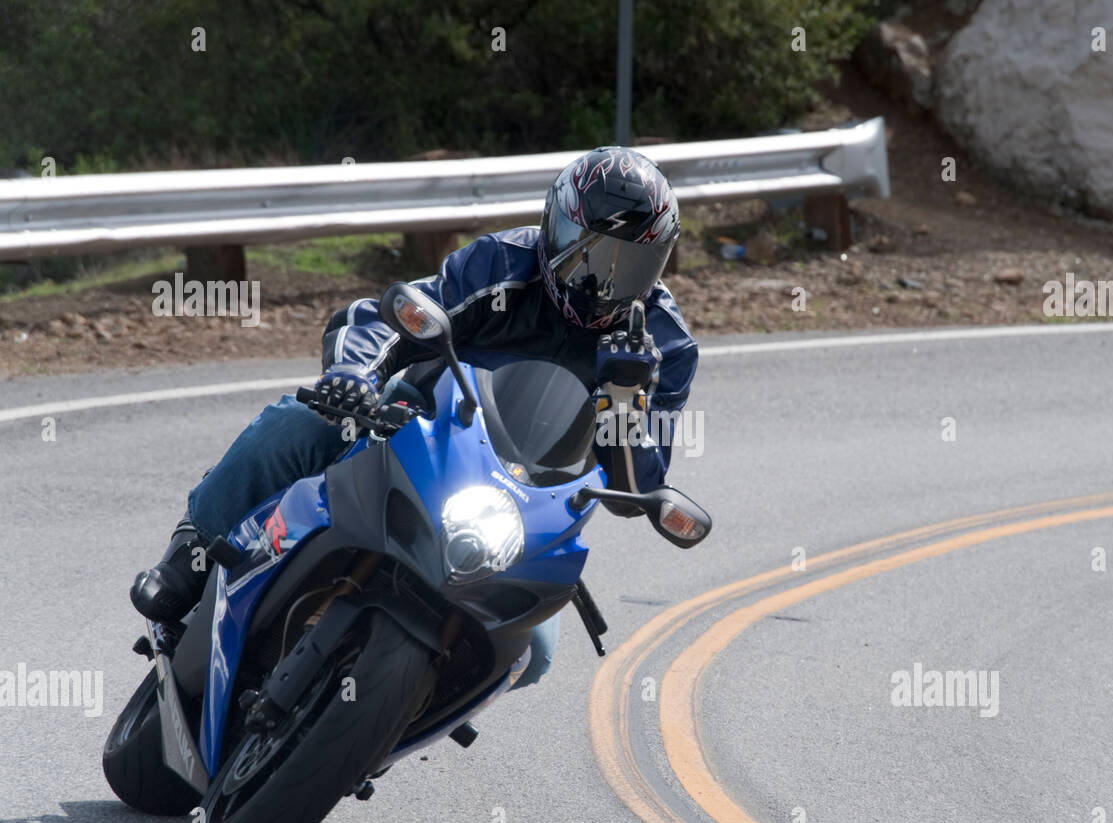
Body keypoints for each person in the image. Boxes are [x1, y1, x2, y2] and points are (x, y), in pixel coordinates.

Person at [129, 145, 698, 689]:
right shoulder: (503, 263)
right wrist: (354, 375)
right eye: (588, 253)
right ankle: (191, 555)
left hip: (529, 510)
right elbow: (391, 317)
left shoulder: (666, 346)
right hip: (423, 429)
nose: (602, 281)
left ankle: (395, 713)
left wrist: (621, 400)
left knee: (536, 655)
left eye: (632, 265)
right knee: (301, 425)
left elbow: (639, 486)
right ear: (554, 226)